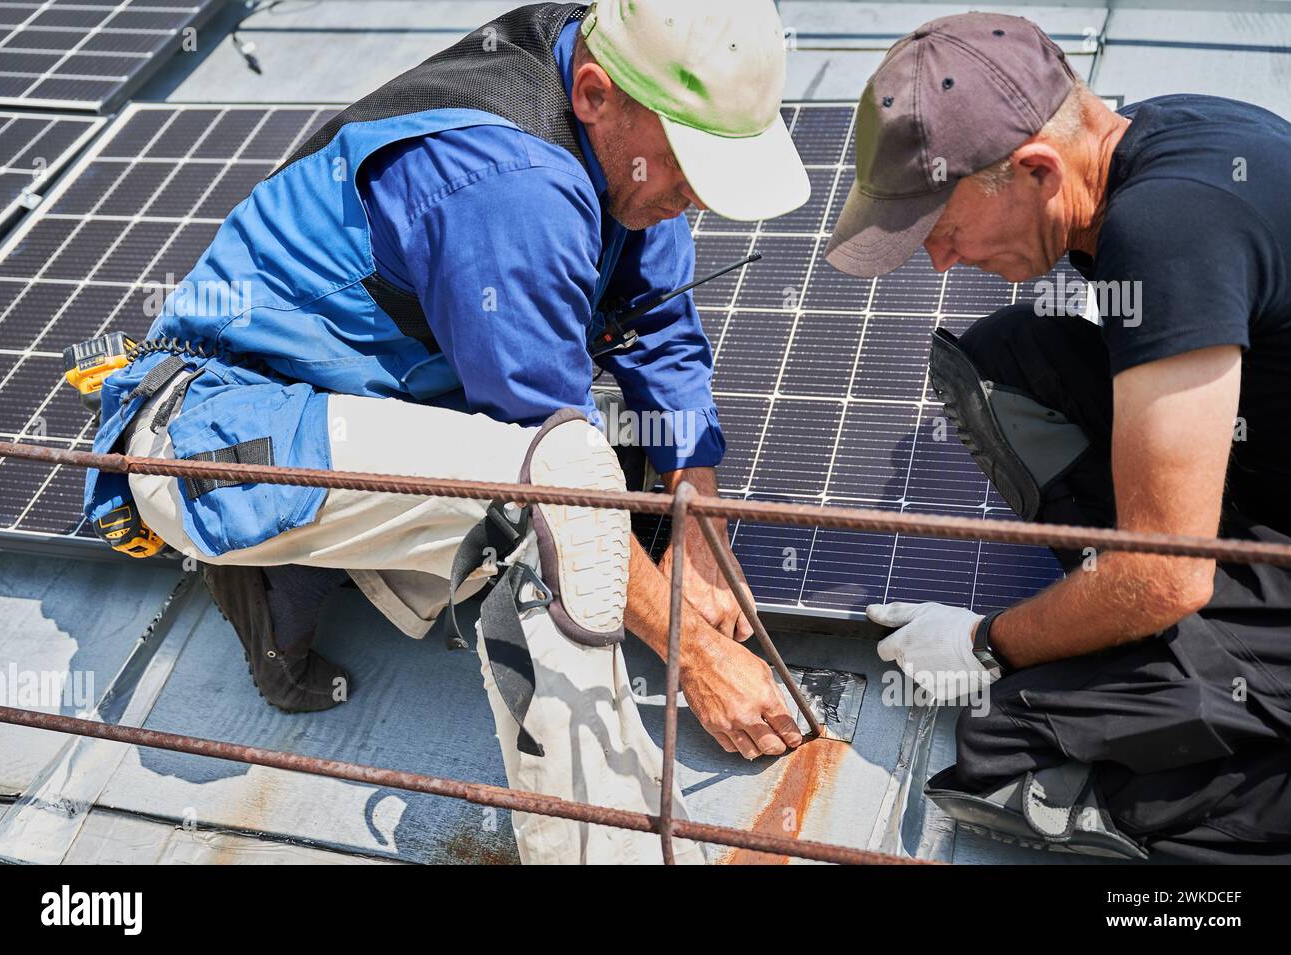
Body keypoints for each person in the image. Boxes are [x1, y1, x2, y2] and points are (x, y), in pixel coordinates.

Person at [82, 0, 813, 865]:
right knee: (569, 485)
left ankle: (305, 574)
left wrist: (704, 533)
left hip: (340, 411)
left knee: (628, 500)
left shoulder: (623, 117)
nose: (694, 199)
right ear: (592, 93)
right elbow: (550, 478)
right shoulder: (513, 184)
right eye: (691, 170)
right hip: (210, 441)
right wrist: (694, 653)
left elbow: (656, 330)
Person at [826, 11, 1291, 862]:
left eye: (942, 228)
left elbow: (1164, 572)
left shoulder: (1168, 230)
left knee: (1009, 745)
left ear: (1037, 168)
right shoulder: (1155, 139)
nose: (937, 262)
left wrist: (986, 640)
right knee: (1008, 358)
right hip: (1264, 464)